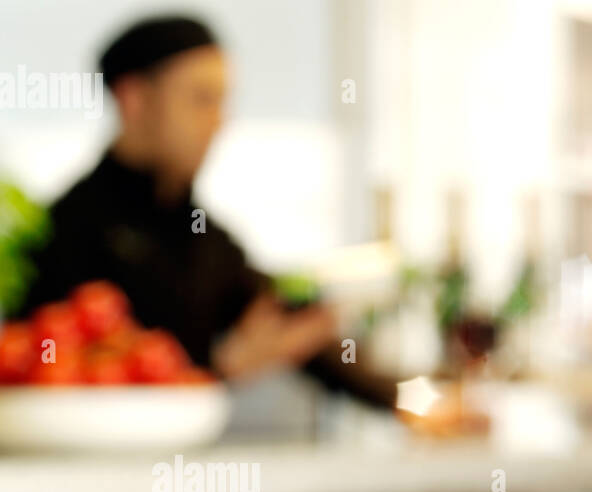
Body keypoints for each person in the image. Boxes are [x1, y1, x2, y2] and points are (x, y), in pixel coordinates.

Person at [19, 15, 401, 410]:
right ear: (133, 98)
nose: (219, 121)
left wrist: (415, 400)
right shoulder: (59, 234)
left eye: (223, 101)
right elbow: (52, 381)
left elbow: (286, 322)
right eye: (201, 99)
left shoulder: (208, 239)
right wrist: (220, 371)